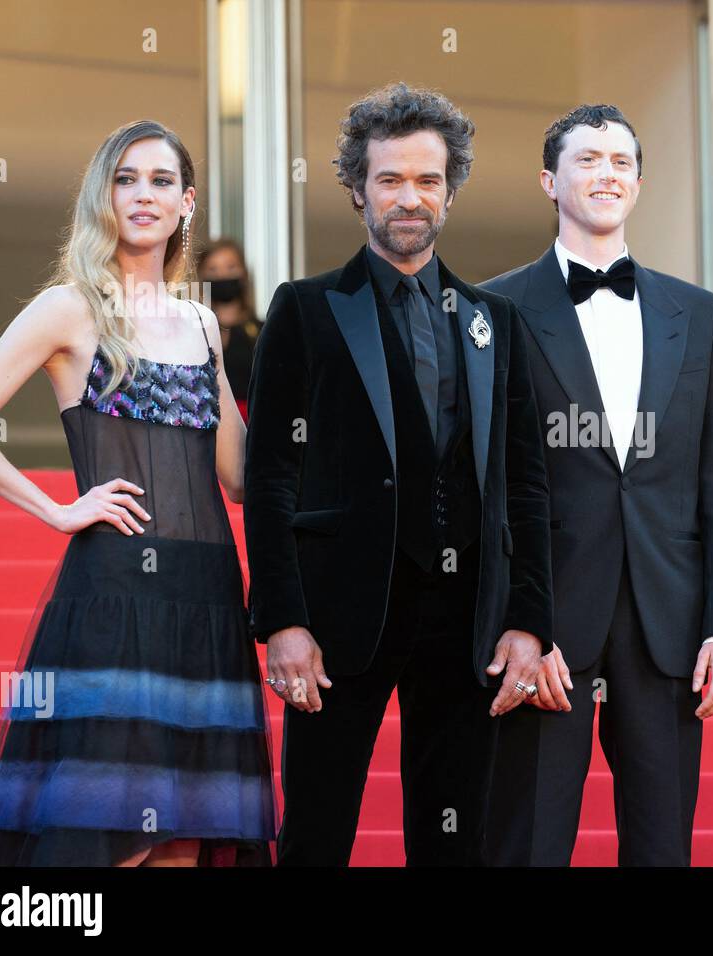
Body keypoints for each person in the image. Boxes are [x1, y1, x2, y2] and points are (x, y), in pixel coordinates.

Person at [244, 83, 552, 867]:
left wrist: (528, 621)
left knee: (455, 843)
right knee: (314, 836)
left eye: (426, 180)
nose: (409, 197)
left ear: (450, 191)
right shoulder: (306, 309)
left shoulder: (496, 321)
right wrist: (282, 620)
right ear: (356, 188)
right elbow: (272, 472)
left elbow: (526, 484)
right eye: (389, 179)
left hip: (466, 625)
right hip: (339, 616)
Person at [0, 120, 272, 866]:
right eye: (126, 178)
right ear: (104, 195)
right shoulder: (69, 308)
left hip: (208, 599)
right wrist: (57, 508)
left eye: (161, 181)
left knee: (185, 842)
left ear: (186, 201)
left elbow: (236, 475)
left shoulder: (201, 323)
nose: (143, 194)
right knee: (113, 841)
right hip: (115, 594)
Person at [481, 105, 713, 866]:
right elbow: (487, 487)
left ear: (639, 182)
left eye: (621, 162)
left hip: (669, 618)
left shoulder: (699, 313)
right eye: (586, 160)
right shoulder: (494, 309)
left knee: (662, 844)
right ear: (549, 181)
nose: (606, 175)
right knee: (527, 841)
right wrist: (518, 618)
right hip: (547, 622)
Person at [196, 238, 261, 421]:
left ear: (244, 274)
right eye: (213, 270)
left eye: (231, 267)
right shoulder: (194, 330)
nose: (222, 276)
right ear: (202, 277)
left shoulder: (262, 331)